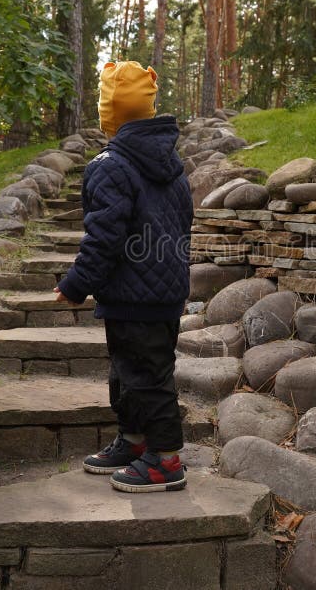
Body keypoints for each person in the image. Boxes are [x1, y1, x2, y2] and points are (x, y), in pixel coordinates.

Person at [54, 61, 193, 493]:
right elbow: (183, 223)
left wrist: (77, 282)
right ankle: (134, 441)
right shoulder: (171, 163)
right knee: (130, 372)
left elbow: (104, 237)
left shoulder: (109, 165)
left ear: (108, 114)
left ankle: (166, 462)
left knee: (146, 378)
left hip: (135, 294)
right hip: (163, 291)